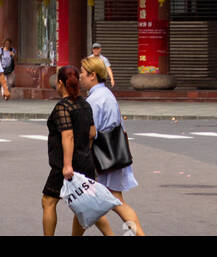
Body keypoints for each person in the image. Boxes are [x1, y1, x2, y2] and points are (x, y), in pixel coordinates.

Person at [42, 65, 113, 237]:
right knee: (85, 204)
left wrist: (67, 165)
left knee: (49, 201)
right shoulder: (84, 104)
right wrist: (85, 153)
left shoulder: (63, 107)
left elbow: (68, 136)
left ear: (60, 83)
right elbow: (92, 133)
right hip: (85, 160)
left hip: (65, 165)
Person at [80, 57, 145, 235]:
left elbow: (91, 132)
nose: (80, 76)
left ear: (92, 75)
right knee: (106, 201)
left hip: (101, 158)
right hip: (113, 154)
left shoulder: (95, 100)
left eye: (83, 73)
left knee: (94, 202)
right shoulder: (106, 95)